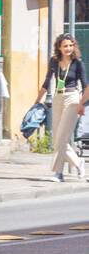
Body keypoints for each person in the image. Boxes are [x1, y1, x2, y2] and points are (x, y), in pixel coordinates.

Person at [34, 33, 87, 181]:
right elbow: (46, 82)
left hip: (72, 98)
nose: (68, 48)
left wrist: (82, 103)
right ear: (59, 47)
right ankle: (78, 163)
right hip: (57, 97)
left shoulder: (78, 63)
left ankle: (58, 173)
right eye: (65, 46)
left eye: (71, 45)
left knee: (62, 138)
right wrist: (38, 100)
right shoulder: (54, 61)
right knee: (57, 138)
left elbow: (86, 85)